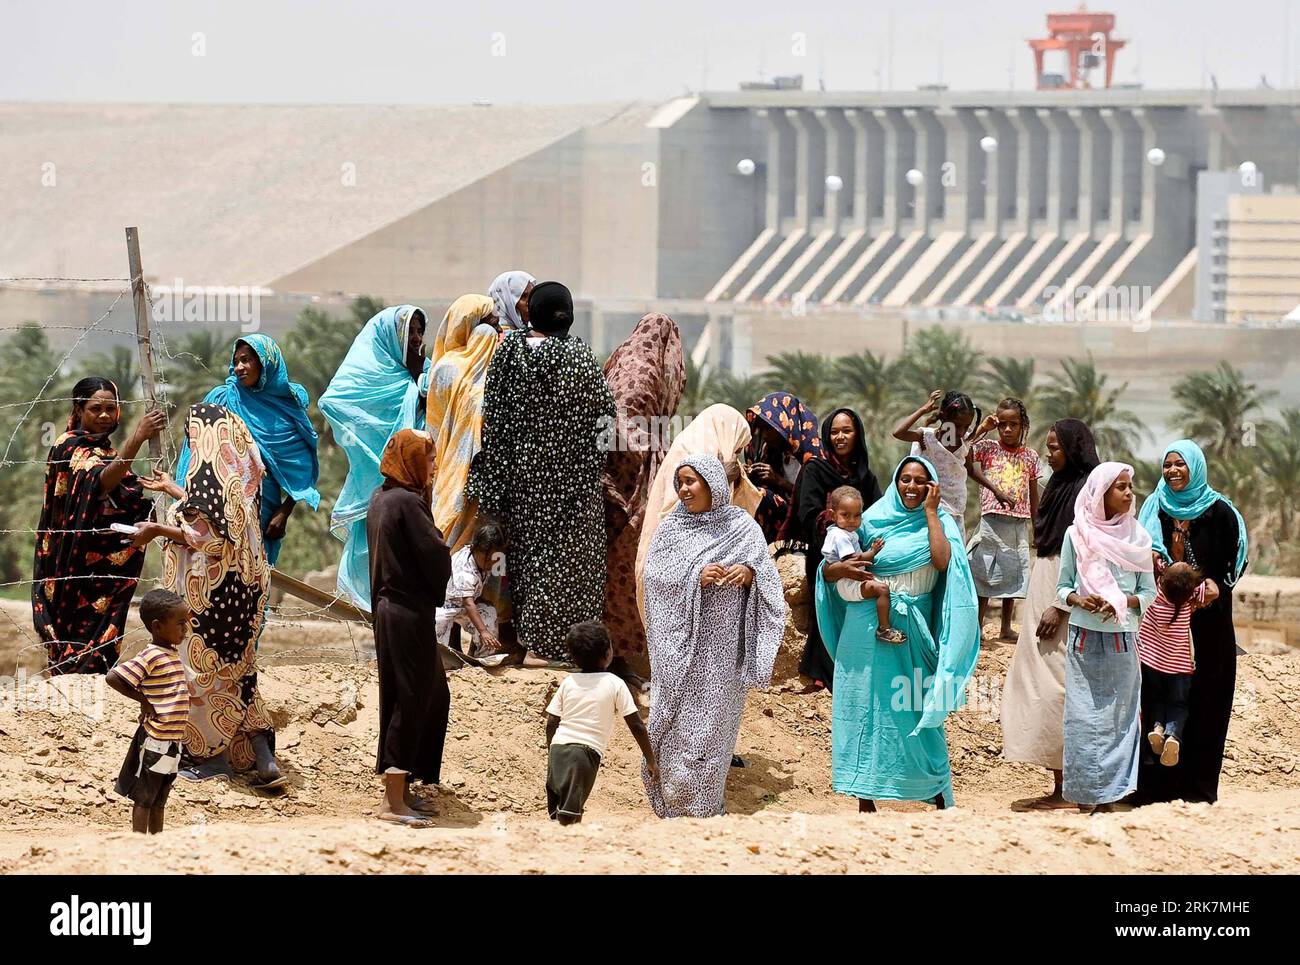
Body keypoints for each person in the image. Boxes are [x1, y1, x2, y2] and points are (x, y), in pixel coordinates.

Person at [131, 404, 283, 788]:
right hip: (243, 596)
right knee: (241, 672)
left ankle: (211, 757)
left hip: (209, 599)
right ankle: (264, 759)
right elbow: (218, 516)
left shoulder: (206, 477)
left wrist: (157, 530)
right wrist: (175, 490)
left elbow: (207, 537)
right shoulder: (237, 477)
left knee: (203, 675)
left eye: (192, 436)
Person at [817, 457, 980, 812]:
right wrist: (839, 568)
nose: (911, 486)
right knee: (864, 708)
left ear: (931, 486)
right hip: (865, 628)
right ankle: (865, 797)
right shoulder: (869, 519)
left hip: (913, 630)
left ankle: (935, 791)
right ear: (895, 481)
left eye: (920, 481)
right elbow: (831, 571)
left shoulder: (942, 523)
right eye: (905, 479)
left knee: (916, 706)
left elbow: (941, 561)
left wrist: (932, 514)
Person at [466, 281, 616, 665]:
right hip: (572, 490)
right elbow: (607, 423)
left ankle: (529, 643)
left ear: (532, 312)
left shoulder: (507, 355)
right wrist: (590, 464)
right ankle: (564, 649)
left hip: (522, 488)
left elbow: (493, 425)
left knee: (529, 564)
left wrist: (496, 486)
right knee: (572, 568)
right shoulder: (579, 358)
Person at [641, 454, 783, 818]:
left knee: (712, 731)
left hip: (724, 655)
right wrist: (694, 578)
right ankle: (672, 805)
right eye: (681, 482)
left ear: (714, 484)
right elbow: (653, 580)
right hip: (682, 653)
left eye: (692, 482)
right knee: (679, 729)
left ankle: (705, 807)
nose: (684, 489)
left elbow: (768, 578)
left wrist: (749, 573)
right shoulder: (671, 529)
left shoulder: (743, 526)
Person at [1135, 439, 1249, 805]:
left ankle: (1198, 790)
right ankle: (1154, 791)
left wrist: (1211, 587)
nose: (1172, 471)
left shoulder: (1221, 513)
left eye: (1180, 464)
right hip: (1162, 625)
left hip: (1208, 625)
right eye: (1167, 464)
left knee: (1206, 700)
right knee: (1155, 701)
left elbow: (1229, 569)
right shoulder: (1155, 508)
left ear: (1196, 467)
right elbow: (1143, 556)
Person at [32, 377, 166, 674]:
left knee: (101, 639)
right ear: (79, 410)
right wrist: (138, 438)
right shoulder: (68, 446)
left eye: (111, 408)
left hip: (106, 569)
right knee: (73, 636)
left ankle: (92, 681)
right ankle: (70, 682)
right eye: (96, 408)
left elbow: (121, 491)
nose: (105, 415)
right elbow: (99, 482)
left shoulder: (105, 450)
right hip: (73, 563)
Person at [1000, 419, 1100, 809]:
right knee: (1039, 681)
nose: (1048, 453)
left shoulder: (1089, 491)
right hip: (1045, 581)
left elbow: (1091, 553)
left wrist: (1060, 606)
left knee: (1062, 684)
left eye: (1055, 447)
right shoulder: (1059, 485)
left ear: (1073, 448)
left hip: (1067, 594)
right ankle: (1060, 785)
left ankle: (1077, 787)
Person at [1055, 462, 1156, 812]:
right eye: (1121, 487)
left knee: (1120, 719)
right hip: (1084, 638)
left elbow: (1148, 592)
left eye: (1130, 486)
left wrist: (1119, 600)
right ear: (1101, 493)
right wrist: (1081, 600)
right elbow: (1062, 587)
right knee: (1083, 719)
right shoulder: (1076, 534)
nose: (1129, 493)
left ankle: (1112, 795)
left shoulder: (1139, 538)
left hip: (1122, 640)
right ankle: (1087, 794)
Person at [366, 428, 452, 826]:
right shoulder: (407, 502)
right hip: (405, 612)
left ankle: (405, 787)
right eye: (429, 459)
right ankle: (393, 802)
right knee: (408, 698)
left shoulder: (385, 497)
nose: (433, 466)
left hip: (395, 610)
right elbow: (433, 555)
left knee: (431, 693)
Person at [174, 335, 320, 567]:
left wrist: (285, 512)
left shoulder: (287, 406)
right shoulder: (222, 397)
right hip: (220, 499)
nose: (239, 367)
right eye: (236, 361)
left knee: (256, 566)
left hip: (265, 504)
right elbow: (197, 448)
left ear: (265, 363)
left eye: (246, 360)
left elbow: (304, 463)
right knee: (218, 562)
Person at [319, 304, 429, 610]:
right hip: (379, 483)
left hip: (424, 481)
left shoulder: (426, 371)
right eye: (410, 332)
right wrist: (372, 447)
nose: (417, 339)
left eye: (420, 331)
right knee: (385, 556)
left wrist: (419, 381)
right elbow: (335, 401)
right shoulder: (368, 375)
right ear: (390, 336)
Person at [600, 312, 685, 678]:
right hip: (629, 482)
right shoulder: (642, 366)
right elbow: (624, 419)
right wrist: (654, 455)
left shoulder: (624, 357)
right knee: (625, 568)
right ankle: (611, 655)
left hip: (628, 478)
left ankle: (618, 654)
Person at [635, 403, 763, 630]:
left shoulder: (705, 449)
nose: (738, 453)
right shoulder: (693, 453)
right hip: (678, 561)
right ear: (727, 433)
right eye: (738, 446)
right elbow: (681, 510)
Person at [787, 407, 882, 690]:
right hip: (825, 552)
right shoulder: (815, 469)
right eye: (834, 432)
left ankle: (856, 669)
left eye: (847, 431)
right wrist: (838, 538)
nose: (840, 437)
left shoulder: (865, 476)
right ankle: (822, 672)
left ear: (858, 435)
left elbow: (877, 513)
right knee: (828, 610)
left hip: (859, 551)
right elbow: (807, 513)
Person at [545, 621, 656, 826]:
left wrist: (551, 750)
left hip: (558, 750)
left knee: (559, 812)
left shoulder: (569, 681)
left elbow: (552, 721)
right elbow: (636, 725)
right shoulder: (614, 682)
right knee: (569, 816)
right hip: (584, 754)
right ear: (608, 653)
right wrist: (650, 759)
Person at [106, 589, 190, 835]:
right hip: (156, 741)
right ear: (157, 626)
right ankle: (139, 845)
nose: (185, 629)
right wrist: (144, 701)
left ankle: (157, 844)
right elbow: (114, 677)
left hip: (172, 741)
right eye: (180, 624)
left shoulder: (171, 653)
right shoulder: (151, 655)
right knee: (144, 797)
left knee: (160, 798)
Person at [426, 294, 500, 554]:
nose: (498, 332)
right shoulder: (448, 367)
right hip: (451, 463)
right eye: (490, 324)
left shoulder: (452, 366)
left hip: (464, 469)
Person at [969, 398, 1040, 640]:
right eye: (1002, 424)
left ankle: (1005, 626)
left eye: (1014, 424)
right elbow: (965, 452)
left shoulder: (1030, 456)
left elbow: (1033, 493)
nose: (1007, 429)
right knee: (984, 570)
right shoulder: (988, 447)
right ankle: (978, 626)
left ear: (1023, 426)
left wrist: (1037, 526)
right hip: (992, 520)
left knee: (1013, 572)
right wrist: (982, 429)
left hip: (1018, 521)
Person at [1138, 562, 1218, 767]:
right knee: (1178, 703)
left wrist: (1161, 567)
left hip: (1152, 661)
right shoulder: (1189, 599)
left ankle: (1156, 729)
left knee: (1156, 698)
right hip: (1179, 666)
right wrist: (1203, 580)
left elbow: (1155, 569)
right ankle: (1173, 736)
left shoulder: (1155, 591)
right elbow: (1214, 591)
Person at [892, 389, 994, 532]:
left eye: (966, 426)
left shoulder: (964, 443)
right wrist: (922, 410)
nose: (961, 431)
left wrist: (996, 491)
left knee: (953, 552)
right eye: (957, 425)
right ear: (944, 418)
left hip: (955, 512)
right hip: (928, 510)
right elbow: (898, 433)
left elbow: (970, 469)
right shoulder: (927, 438)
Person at [821, 486, 904, 644]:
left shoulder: (844, 532)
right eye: (845, 515)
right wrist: (873, 551)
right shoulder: (840, 536)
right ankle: (884, 629)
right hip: (849, 582)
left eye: (857, 515)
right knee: (882, 590)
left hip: (851, 580)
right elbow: (853, 561)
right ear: (832, 515)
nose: (852, 520)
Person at [745, 391, 823, 542]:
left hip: (809, 521)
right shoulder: (772, 454)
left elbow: (816, 499)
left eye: (768, 428)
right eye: (761, 430)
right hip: (783, 519)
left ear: (786, 424)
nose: (765, 435)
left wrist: (779, 481)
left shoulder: (814, 455)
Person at [436, 520, 509, 663]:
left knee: (489, 613)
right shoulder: (465, 570)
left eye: (495, 559)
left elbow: (497, 575)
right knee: (438, 624)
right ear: (475, 549)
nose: (492, 563)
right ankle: (439, 659)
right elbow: (468, 604)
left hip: (467, 605)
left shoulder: (493, 559)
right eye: (488, 559)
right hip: (446, 604)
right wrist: (483, 631)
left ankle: (483, 656)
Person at [488, 269, 535, 335]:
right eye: (523, 296)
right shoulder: (494, 337)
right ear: (506, 301)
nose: (530, 302)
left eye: (532, 295)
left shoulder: (533, 331)